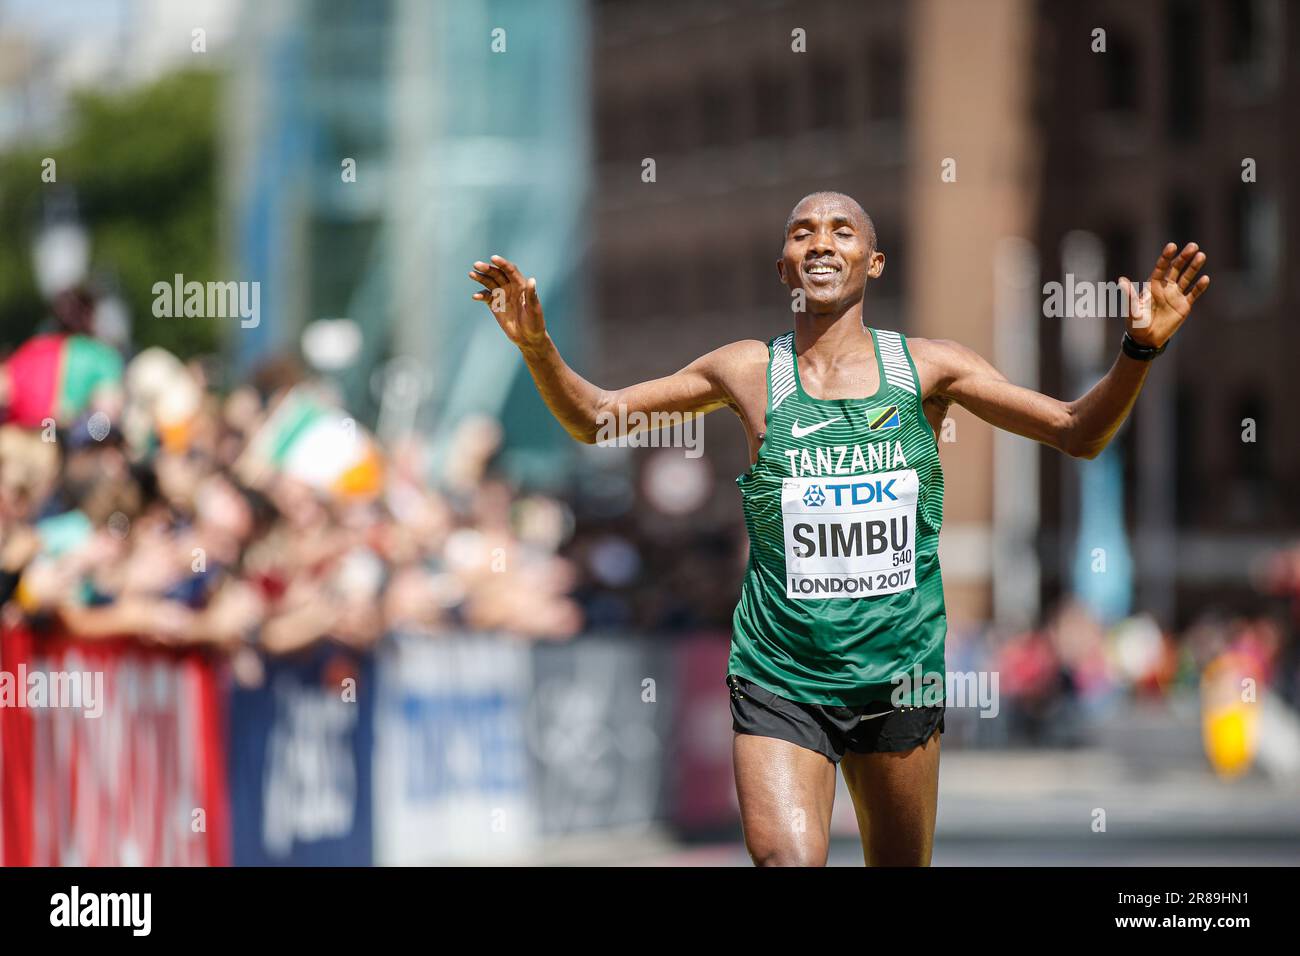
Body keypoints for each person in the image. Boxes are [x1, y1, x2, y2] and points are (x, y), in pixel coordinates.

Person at [469, 190, 1210, 866]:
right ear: (783, 265)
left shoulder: (928, 369)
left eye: (841, 231)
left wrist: (1138, 351)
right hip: (779, 676)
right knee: (785, 861)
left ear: (873, 260)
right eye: (802, 232)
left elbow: (1077, 433)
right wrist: (538, 348)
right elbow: (599, 419)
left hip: (900, 675)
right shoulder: (750, 373)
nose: (821, 243)